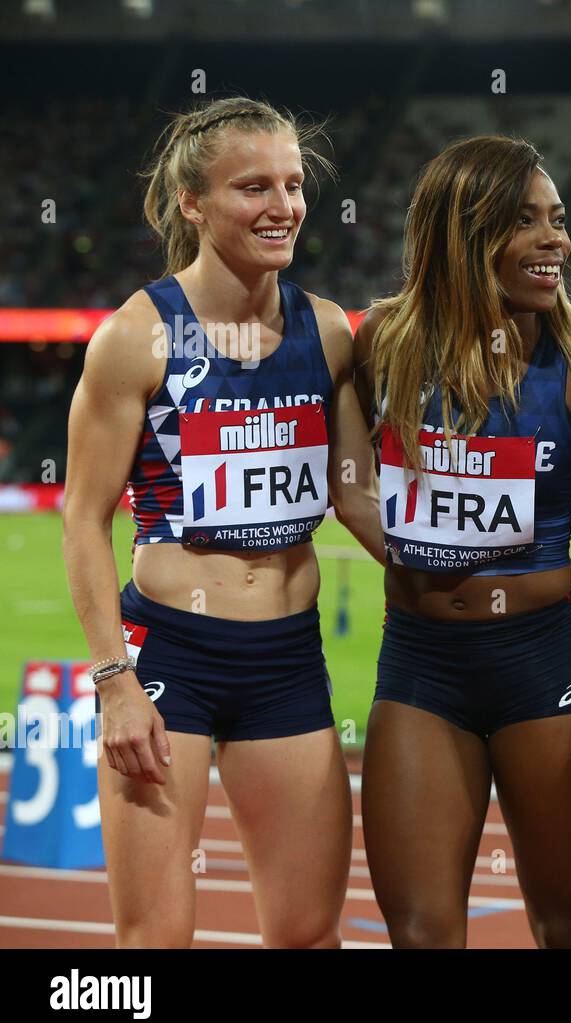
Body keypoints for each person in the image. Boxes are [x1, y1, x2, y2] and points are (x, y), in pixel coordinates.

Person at [64, 97, 384, 948]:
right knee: (154, 942)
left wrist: (466, 573)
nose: (282, 206)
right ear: (192, 204)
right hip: (170, 659)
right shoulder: (137, 337)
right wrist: (112, 682)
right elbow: (82, 519)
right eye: (253, 187)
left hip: (286, 661)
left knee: (310, 933)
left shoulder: (326, 332)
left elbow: (356, 497)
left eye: (292, 183)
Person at [354, 135, 571, 949]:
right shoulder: (381, 346)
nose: (555, 240)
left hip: (548, 668)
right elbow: (341, 471)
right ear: (462, 233)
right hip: (421, 664)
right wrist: (403, 546)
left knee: (565, 929)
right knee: (421, 934)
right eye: (525, 221)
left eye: (557, 220)